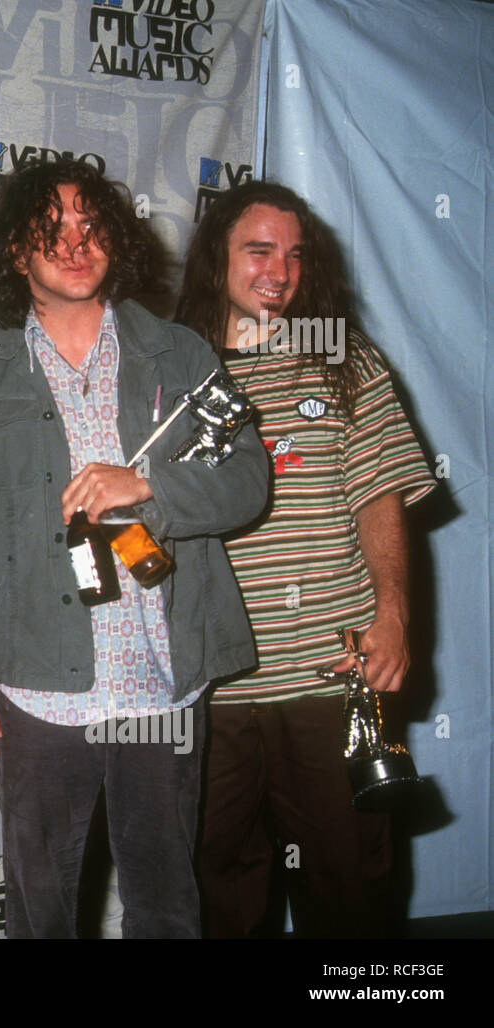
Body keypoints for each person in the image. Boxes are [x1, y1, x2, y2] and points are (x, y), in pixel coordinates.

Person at [0, 158, 268, 938]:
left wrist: (148, 488)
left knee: (167, 904)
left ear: (116, 240)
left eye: (91, 227)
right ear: (17, 255)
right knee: (41, 910)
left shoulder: (180, 355)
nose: (75, 244)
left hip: (162, 686)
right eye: (51, 232)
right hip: (40, 690)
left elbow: (250, 484)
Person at [176, 180, 435, 937]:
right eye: (258, 250)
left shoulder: (342, 358)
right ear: (216, 257)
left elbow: (379, 494)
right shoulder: (171, 369)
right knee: (220, 896)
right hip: (211, 690)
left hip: (334, 679)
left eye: (294, 255)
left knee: (352, 888)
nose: (279, 271)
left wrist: (394, 617)